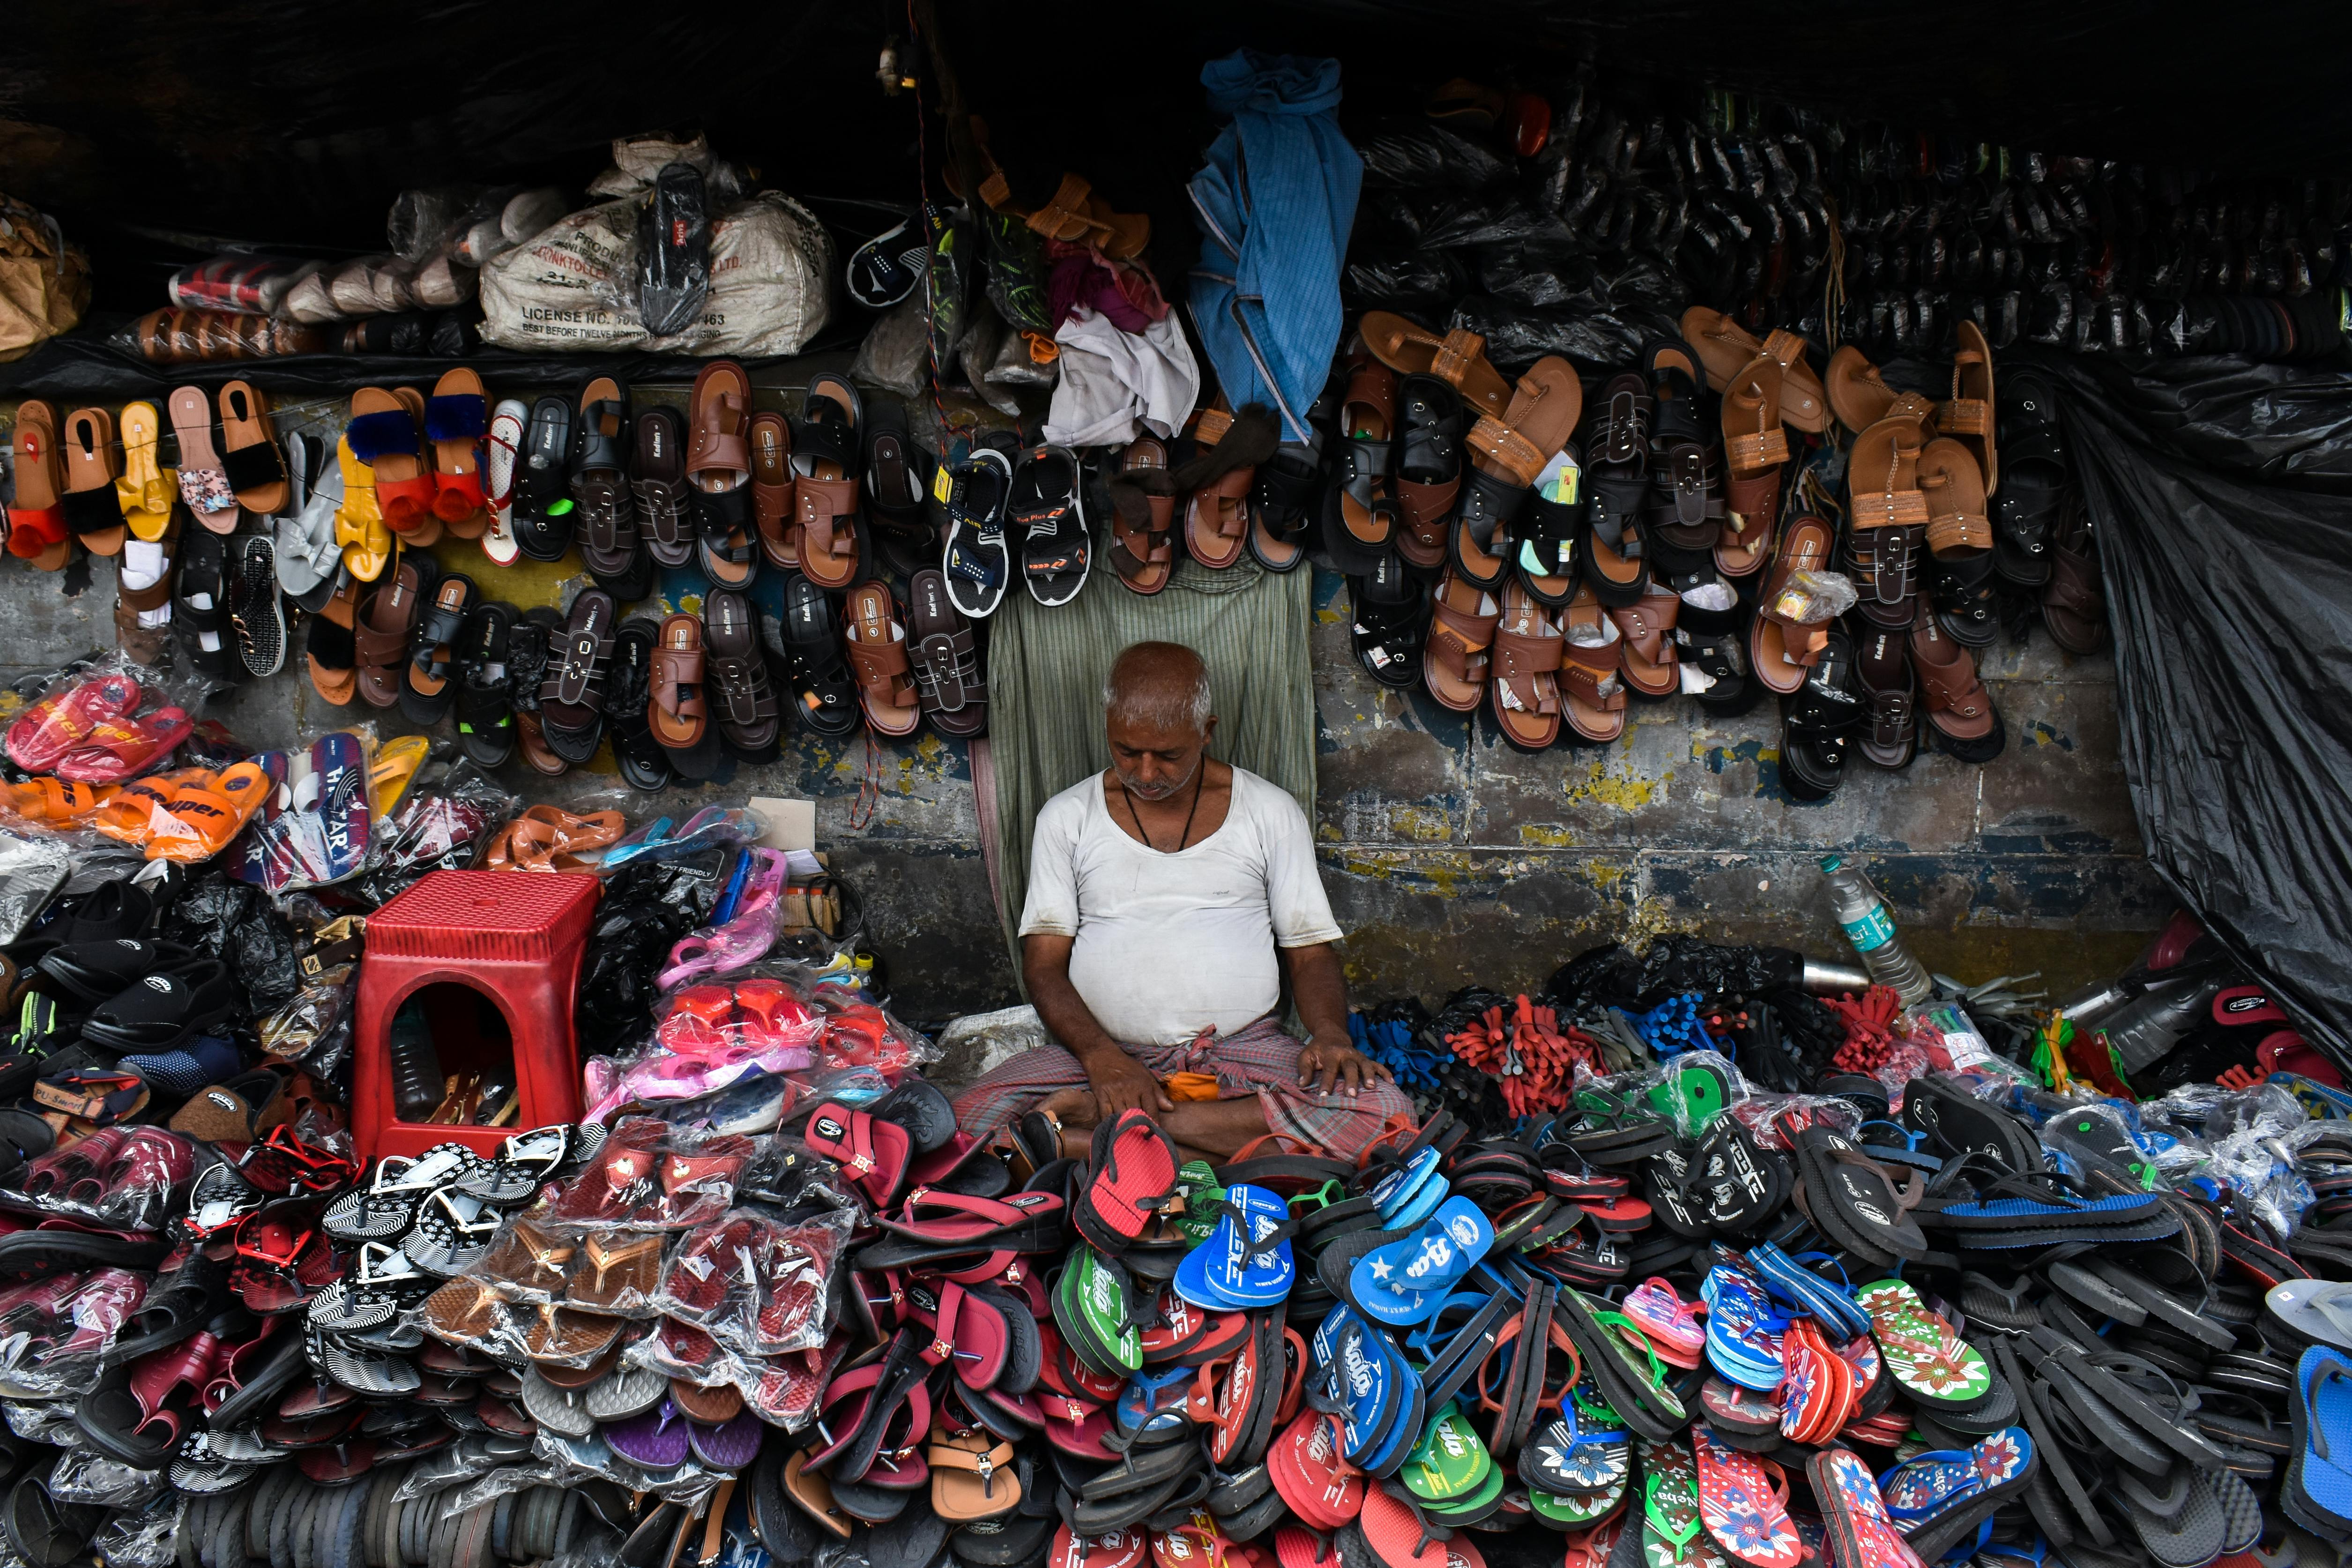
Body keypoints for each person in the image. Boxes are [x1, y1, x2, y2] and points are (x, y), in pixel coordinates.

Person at [953, 641, 1413, 1163]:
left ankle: (1108, 1134)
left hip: (1242, 1052)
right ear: (1106, 727)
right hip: (1104, 1057)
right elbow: (1043, 966)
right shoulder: (1067, 818)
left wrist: (1329, 1033)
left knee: (1386, 1117)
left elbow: (1309, 952)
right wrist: (1103, 1058)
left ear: (1207, 731)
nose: (1146, 774)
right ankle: (1212, 1152)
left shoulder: (1267, 810)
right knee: (965, 1119)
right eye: (1127, 751)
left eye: (1168, 755)